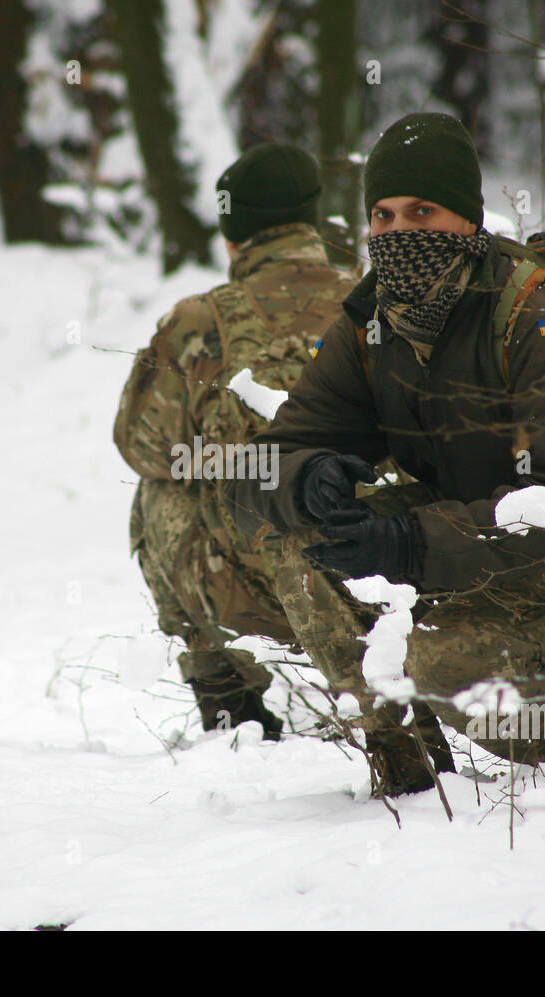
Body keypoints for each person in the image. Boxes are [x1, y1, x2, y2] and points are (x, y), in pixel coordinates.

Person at [223, 113, 545, 794]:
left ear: (468, 219)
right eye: (383, 214)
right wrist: (307, 478)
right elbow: (261, 466)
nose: (399, 230)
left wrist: (409, 542)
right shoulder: (371, 323)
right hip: (472, 550)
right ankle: (406, 773)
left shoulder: (539, 319)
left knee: (435, 663)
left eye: (423, 210)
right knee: (299, 542)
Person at [114, 143, 367, 742]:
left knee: (158, 494)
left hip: (267, 593)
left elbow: (139, 447)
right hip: (387, 580)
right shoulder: (374, 299)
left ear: (233, 238)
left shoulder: (203, 320)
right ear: (312, 218)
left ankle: (228, 704)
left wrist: (216, 457)